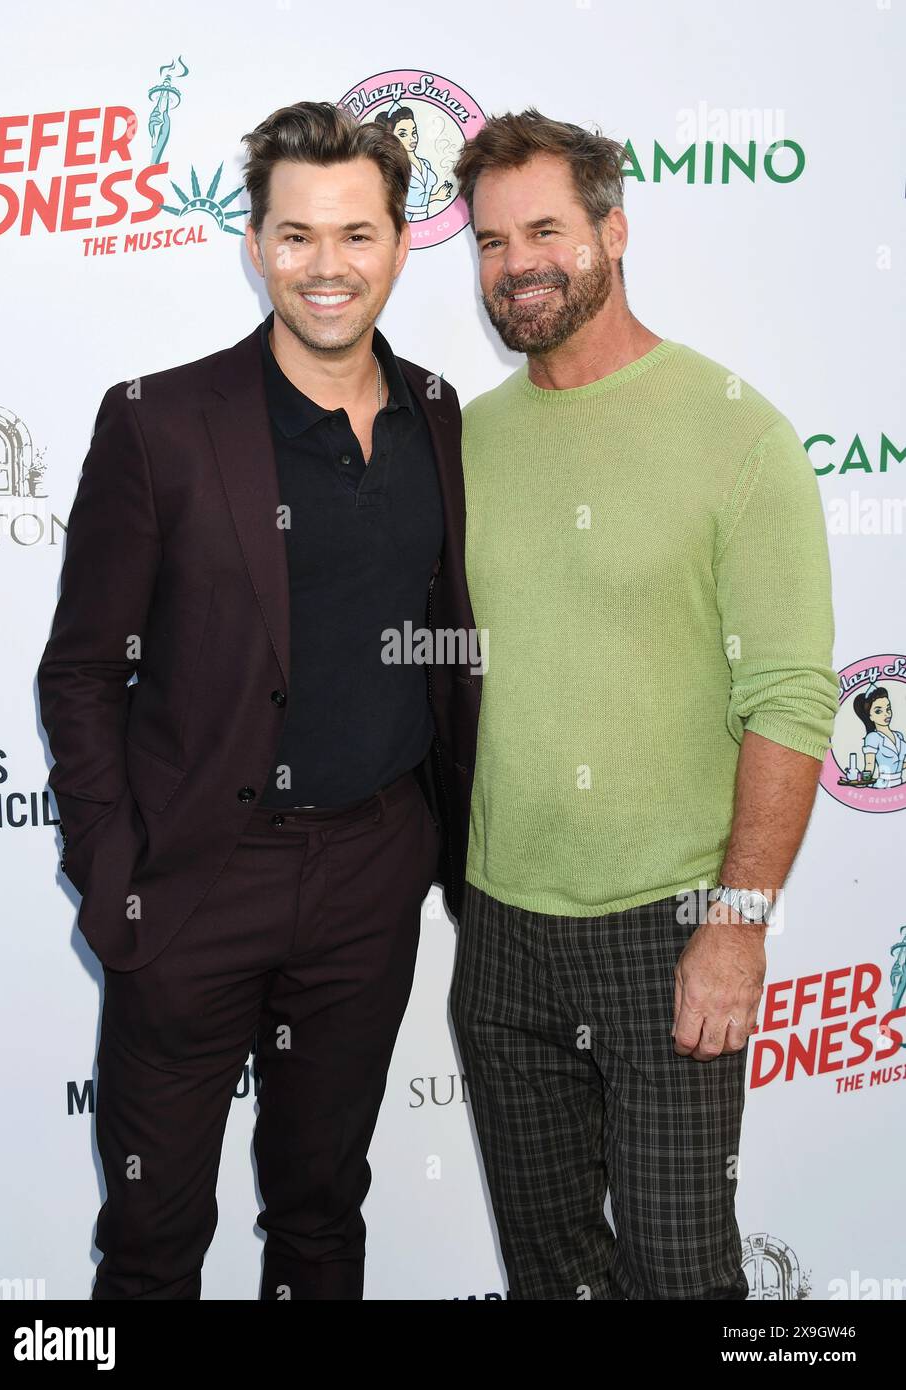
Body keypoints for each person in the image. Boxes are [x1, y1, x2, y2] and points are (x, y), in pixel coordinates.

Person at [36, 100, 480, 1300]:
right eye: (297, 235)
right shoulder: (161, 423)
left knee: (323, 1212)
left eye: (356, 234)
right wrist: (112, 871)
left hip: (371, 875)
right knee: (153, 1236)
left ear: (400, 243)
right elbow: (83, 670)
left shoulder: (438, 414)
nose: (327, 265)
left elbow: (444, 637)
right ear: (255, 244)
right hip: (196, 882)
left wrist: (434, 844)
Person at [449, 108, 839, 1300]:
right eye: (491, 240)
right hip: (501, 931)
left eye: (546, 231)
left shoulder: (738, 433)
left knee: (682, 1275)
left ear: (613, 232)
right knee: (554, 1273)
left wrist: (738, 924)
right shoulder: (463, 441)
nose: (516, 263)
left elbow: (791, 700)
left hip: (669, 931)